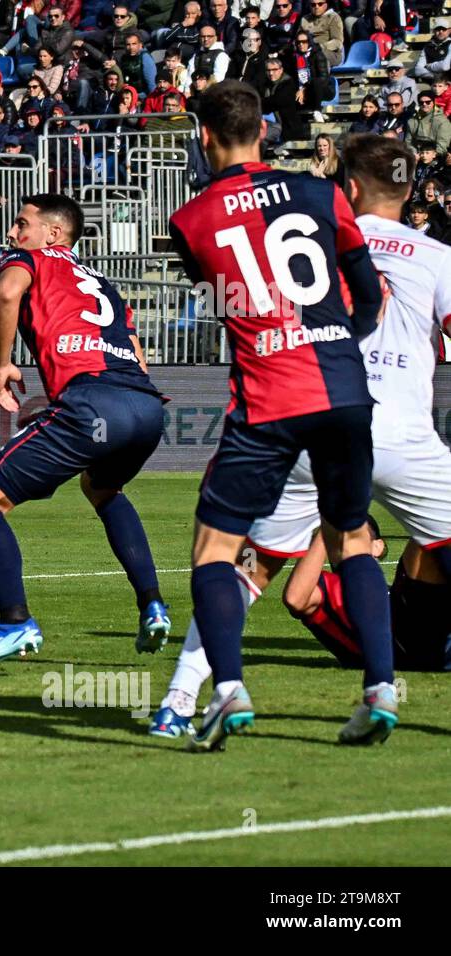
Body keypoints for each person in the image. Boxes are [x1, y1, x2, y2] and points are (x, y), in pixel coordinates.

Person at [151, 134, 451, 735]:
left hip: (309, 404)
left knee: (246, 566)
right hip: (396, 430)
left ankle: (181, 699)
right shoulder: (438, 256)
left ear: (352, 188)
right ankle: (381, 691)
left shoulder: (312, 223)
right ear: (410, 188)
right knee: (362, 547)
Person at [167, 82, 390, 751]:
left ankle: (228, 690)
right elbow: (369, 293)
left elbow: (225, 295)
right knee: (350, 537)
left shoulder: (191, 219)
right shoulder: (323, 193)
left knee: (213, 548)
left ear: (205, 136)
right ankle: (379, 689)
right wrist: (337, 340)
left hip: (268, 397)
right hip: (344, 390)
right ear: (263, 130)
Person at [0, 194, 170, 676]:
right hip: (146, 404)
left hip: (94, 403)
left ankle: (14, 622)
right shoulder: (102, 283)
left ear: (53, 234)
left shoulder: (29, 259)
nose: (12, 233)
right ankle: (153, 604)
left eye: (20, 223)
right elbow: (137, 349)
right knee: (102, 487)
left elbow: (7, 293)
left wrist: (1, 364)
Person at [284, 524, 451, 673]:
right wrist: (328, 524)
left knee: (433, 526)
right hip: (401, 650)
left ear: (377, 546)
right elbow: (295, 599)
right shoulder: (329, 588)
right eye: (337, 540)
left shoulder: (392, 593)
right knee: (429, 532)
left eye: (356, 538)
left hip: (431, 638)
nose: (345, 545)